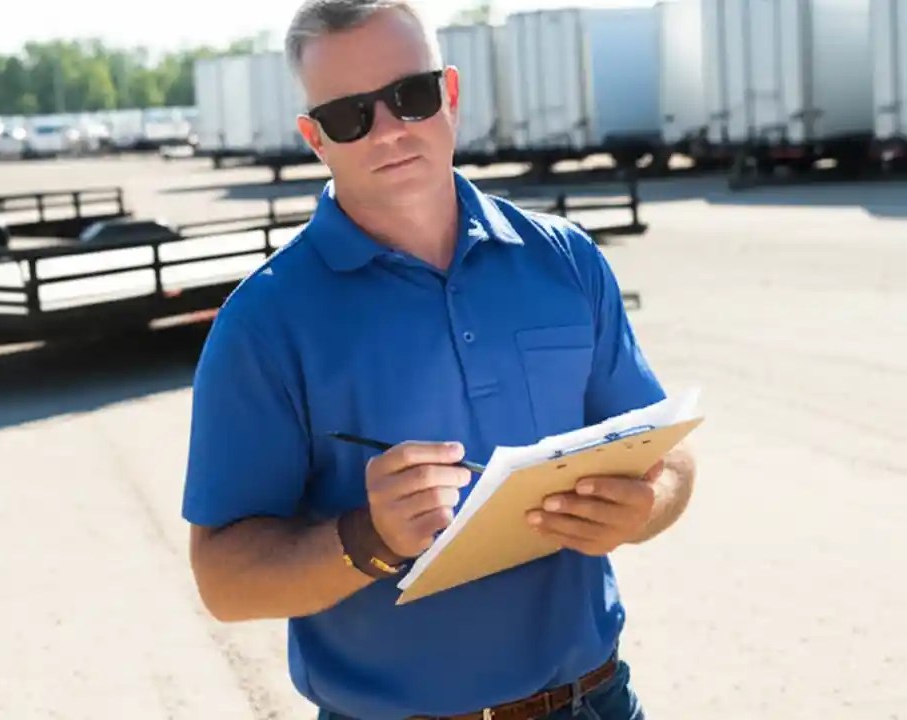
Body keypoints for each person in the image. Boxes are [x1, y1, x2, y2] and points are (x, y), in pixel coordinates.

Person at [180, 1, 698, 718]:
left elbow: (667, 458)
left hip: (597, 699)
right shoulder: (265, 322)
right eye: (349, 116)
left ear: (450, 95)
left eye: (411, 97)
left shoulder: (567, 262)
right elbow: (224, 580)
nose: (389, 130)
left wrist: (644, 507)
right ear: (314, 138)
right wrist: (367, 539)